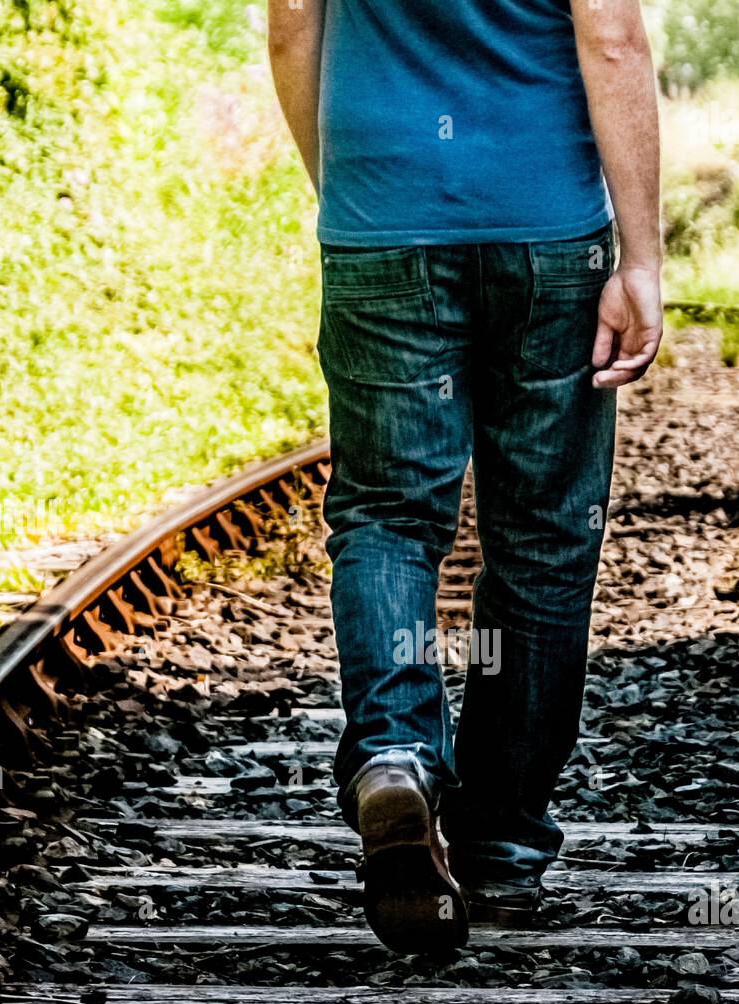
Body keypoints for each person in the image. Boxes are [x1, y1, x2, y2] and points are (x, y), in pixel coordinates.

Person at [269, 0, 663, 953]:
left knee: (388, 516)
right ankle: (503, 849)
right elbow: (610, 35)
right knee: (543, 538)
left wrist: (353, 193)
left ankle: (396, 753)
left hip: (383, 217)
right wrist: (642, 255)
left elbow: (290, 24)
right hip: (548, 230)